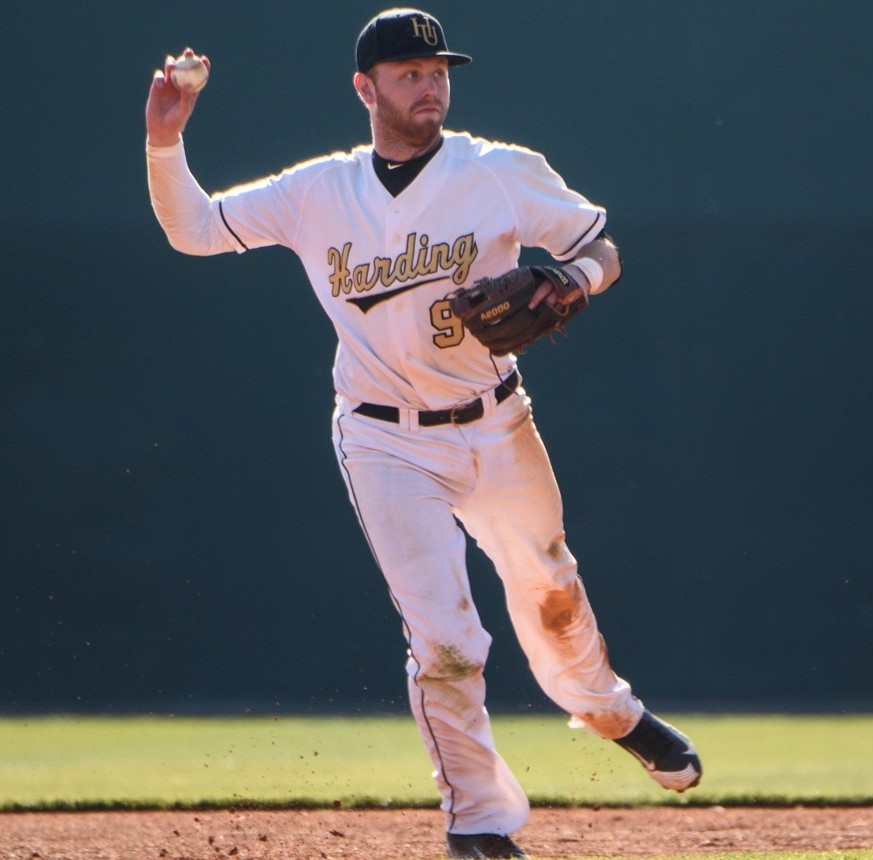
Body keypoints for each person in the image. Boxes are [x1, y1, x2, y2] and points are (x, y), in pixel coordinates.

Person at [144, 9, 701, 859]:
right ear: (365, 89)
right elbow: (194, 229)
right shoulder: (318, 191)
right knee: (445, 639)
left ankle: (610, 712)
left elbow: (601, 248)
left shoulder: (499, 171)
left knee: (551, 589)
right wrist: (165, 141)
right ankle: (477, 819)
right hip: (384, 442)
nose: (429, 85)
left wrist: (570, 281)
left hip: (497, 420)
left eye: (438, 71)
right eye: (408, 72)